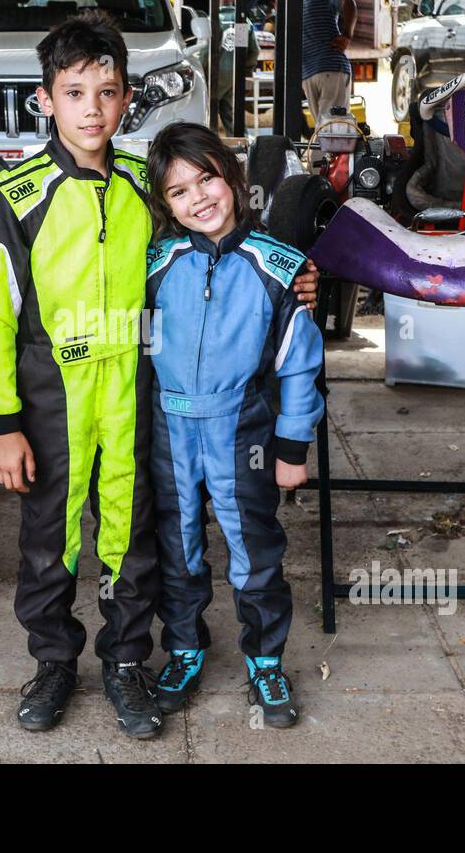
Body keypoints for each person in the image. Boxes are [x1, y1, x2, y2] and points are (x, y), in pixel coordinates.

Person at [0, 12, 321, 739]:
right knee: (50, 539)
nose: (91, 109)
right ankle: (54, 663)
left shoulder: (144, 185)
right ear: (45, 99)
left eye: (107, 92)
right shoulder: (13, 196)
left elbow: (218, 256)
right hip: (50, 400)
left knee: (131, 540)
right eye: (73, 93)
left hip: (135, 397)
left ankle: (127, 663)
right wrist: (2, 423)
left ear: (128, 99)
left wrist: (297, 277)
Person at [143, 123, 323, 728]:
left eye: (207, 178)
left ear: (232, 175)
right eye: (178, 191)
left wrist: (292, 446)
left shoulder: (280, 269)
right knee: (178, 545)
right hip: (169, 431)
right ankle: (186, 647)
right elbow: (136, 348)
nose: (198, 198)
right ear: (163, 204)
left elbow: (299, 364)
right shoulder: (153, 266)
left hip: (243, 430)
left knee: (254, 548)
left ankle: (266, 658)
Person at [302, 0, 357, 125]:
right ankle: (319, 153)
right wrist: (347, 35)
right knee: (332, 129)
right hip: (331, 67)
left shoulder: (296, 1)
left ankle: (317, 152)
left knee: (322, 128)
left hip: (308, 75)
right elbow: (348, 3)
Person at [215, 0, 260, 135]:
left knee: (208, 112)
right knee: (231, 114)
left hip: (215, 75)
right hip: (234, 75)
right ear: (233, 1)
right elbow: (253, 50)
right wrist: (245, 70)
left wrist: (201, 70)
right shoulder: (241, 22)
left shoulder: (214, 20)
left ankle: (208, 146)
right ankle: (241, 146)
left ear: (217, 1)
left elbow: (204, 51)